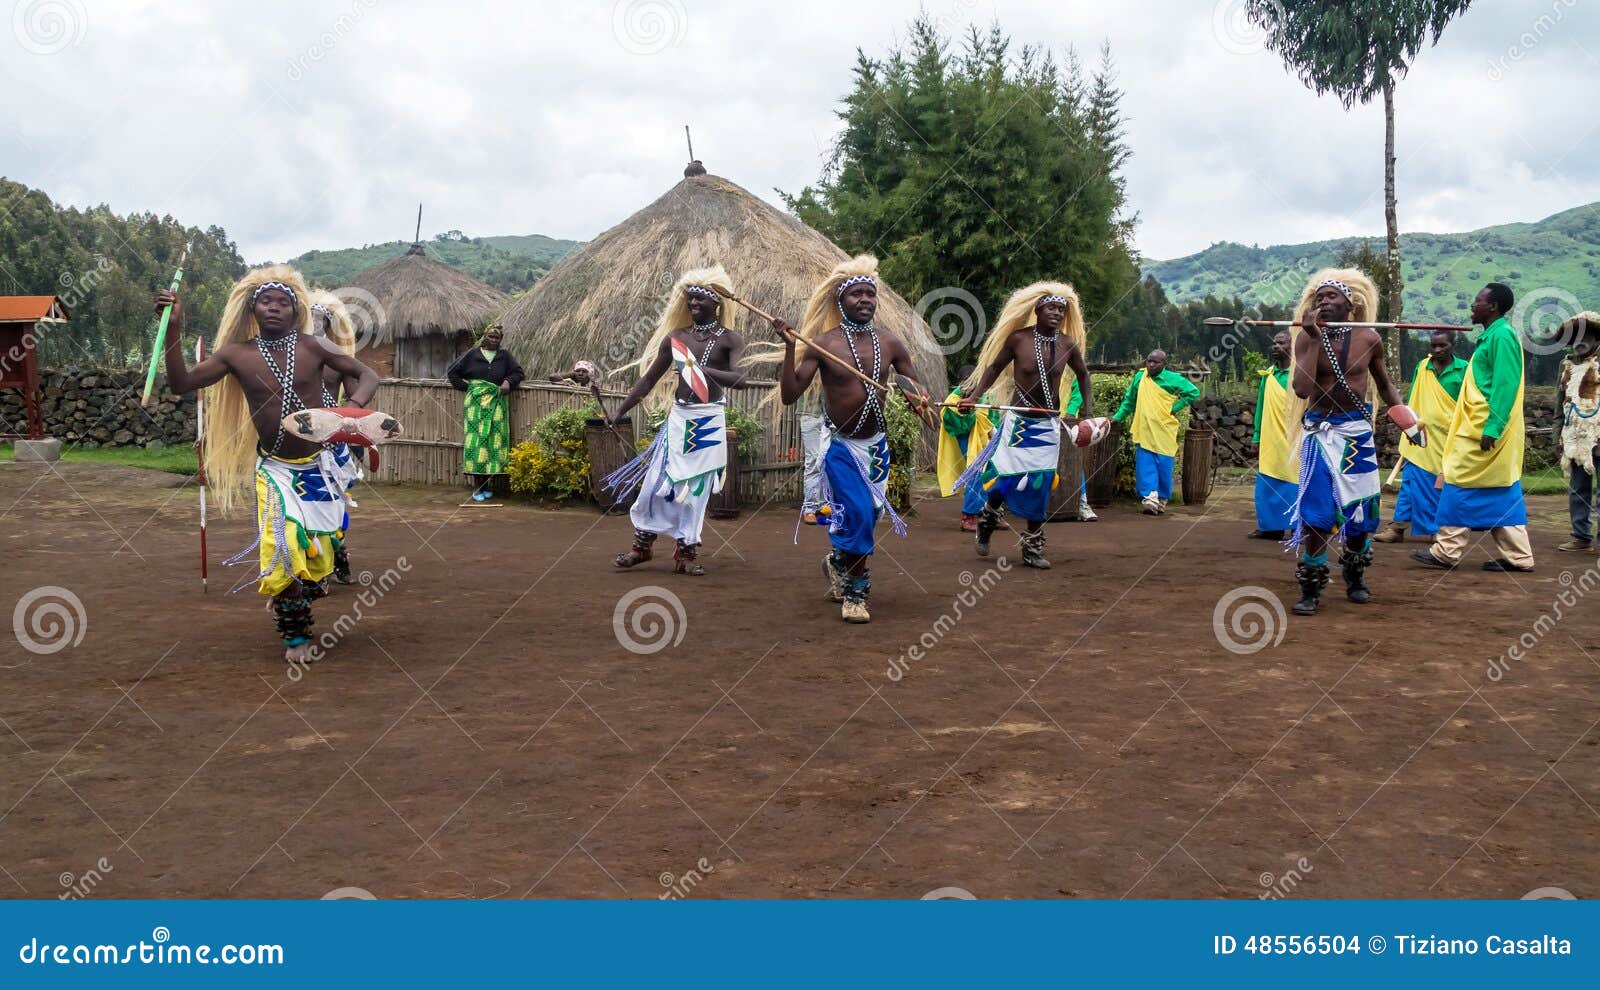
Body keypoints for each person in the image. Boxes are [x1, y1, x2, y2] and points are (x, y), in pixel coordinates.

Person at [157, 266, 379, 664]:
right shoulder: (236, 355)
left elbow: (366, 373)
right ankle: (295, 637)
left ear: (296, 310)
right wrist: (172, 329)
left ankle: (296, 600)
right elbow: (181, 384)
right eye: (266, 301)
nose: (274, 308)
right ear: (251, 307)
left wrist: (352, 412)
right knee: (281, 550)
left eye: (283, 302)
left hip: (320, 468)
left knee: (318, 558)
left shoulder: (313, 347)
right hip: (275, 470)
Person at [771, 256, 927, 623]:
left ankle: (838, 560)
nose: (865, 300)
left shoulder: (891, 344)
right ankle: (856, 594)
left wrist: (919, 399)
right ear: (840, 301)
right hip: (839, 446)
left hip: (876, 447)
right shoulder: (822, 344)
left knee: (868, 514)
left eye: (870, 294)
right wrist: (791, 346)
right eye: (856, 293)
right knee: (856, 512)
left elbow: (916, 390)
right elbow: (790, 395)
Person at [605, 267, 747, 576]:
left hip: (708, 421)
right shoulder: (676, 338)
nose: (693, 304)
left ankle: (686, 552)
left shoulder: (730, 340)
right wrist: (621, 410)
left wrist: (703, 371)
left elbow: (740, 379)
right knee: (657, 484)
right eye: (690, 299)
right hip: (679, 419)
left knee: (694, 491)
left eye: (700, 299)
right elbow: (648, 380)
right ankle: (641, 546)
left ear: (717, 303)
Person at [1282, 269, 1406, 615]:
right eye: (1319, 297)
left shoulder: (1369, 339)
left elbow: (1384, 385)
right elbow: (1302, 390)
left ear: (1350, 304)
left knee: (1360, 512)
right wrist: (1311, 338)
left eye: (1332, 296)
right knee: (1317, 513)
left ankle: (1355, 575)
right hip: (1320, 433)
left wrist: (1405, 418)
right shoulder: (1306, 339)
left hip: (1355, 434)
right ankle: (1310, 588)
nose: (1323, 301)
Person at [953, 282, 1092, 568]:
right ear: (1037, 310)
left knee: (1040, 485)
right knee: (1005, 479)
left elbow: (1083, 376)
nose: (1057, 313)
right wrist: (974, 396)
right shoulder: (1018, 339)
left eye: (1061, 309)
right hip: (1018, 423)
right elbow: (993, 369)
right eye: (1051, 308)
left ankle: (1032, 547)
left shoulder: (1068, 344)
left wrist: (1088, 412)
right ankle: (988, 520)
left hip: (1047, 425)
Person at [1412, 283, 1534, 573]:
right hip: (1478, 426)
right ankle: (1519, 556)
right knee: (1498, 488)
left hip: (1484, 428)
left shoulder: (1502, 336)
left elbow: (1506, 385)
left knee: (1456, 477)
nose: (1472, 305)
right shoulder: (1491, 336)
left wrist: (1493, 428)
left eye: (1477, 301)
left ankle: (1446, 551)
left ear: (1491, 307)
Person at [1373, 331, 1467, 544]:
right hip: (1420, 432)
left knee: (1438, 483)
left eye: (1442, 346)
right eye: (1433, 346)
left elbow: (1467, 404)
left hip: (1447, 436)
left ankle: (1436, 528)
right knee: (1411, 479)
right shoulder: (1422, 366)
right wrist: (1409, 425)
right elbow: (1413, 397)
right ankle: (1397, 527)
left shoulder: (1464, 370)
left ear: (1453, 345)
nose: (1436, 351)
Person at [307, 291, 366, 585]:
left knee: (335, 504)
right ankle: (313, 564)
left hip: (332, 444)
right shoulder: (290, 360)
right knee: (303, 504)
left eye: (322, 321)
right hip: (298, 442)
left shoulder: (338, 361)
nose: (316, 326)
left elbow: (358, 394)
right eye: (311, 319)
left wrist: (350, 420)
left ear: (329, 327)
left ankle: (338, 551)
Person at [1111, 349, 1200, 515]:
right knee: (1145, 464)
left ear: (1164, 364)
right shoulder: (1140, 377)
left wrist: (1175, 408)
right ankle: (1149, 497)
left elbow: (1194, 392)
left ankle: (1161, 499)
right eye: (1149, 361)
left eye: (1155, 362)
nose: (1151, 365)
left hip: (1165, 429)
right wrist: (1117, 417)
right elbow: (1129, 401)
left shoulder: (1174, 379)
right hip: (1144, 429)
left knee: (1164, 465)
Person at [446, 324, 524, 502]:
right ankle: (476, 487)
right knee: (477, 441)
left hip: (497, 402)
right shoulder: (472, 355)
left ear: (500, 340)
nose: (494, 340)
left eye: (497, 338)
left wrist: (508, 382)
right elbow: (452, 372)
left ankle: (486, 486)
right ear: (484, 338)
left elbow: (519, 373)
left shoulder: (504, 356)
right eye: (490, 337)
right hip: (476, 405)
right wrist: (467, 388)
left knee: (494, 441)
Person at [935, 364, 999, 532]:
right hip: (968, 442)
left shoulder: (986, 395)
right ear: (963, 383)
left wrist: (994, 430)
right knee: (976, 473)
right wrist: (969, 413)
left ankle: (991, 514)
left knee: (995, 473)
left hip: (989, 441)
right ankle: (968, 516)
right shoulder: (952, 402)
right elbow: (959, 427)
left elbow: (994, 418)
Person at [1556, 313, 1600, 551]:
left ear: (1595, 338)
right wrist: (1558, 438)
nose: (1580, 341)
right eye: (1576, 337)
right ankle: (1580, 536)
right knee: (1578, 489)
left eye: (1586, 336)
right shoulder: (1566, 367)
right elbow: (1558, 406)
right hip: (1574, 438)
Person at [1061, 374, 1098, 522]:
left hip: (1069, 424)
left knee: (1074, 463)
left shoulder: (1073, 372)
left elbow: (1078, 393)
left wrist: (1070, 411)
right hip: (1045, 420)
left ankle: (1082, 505)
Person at [798, 388, 827, 525]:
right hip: (810, 414)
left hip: (831, 416)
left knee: (827, 461)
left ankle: (823, 508)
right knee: (813, 461)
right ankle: (810, 508)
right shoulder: (805, 366)